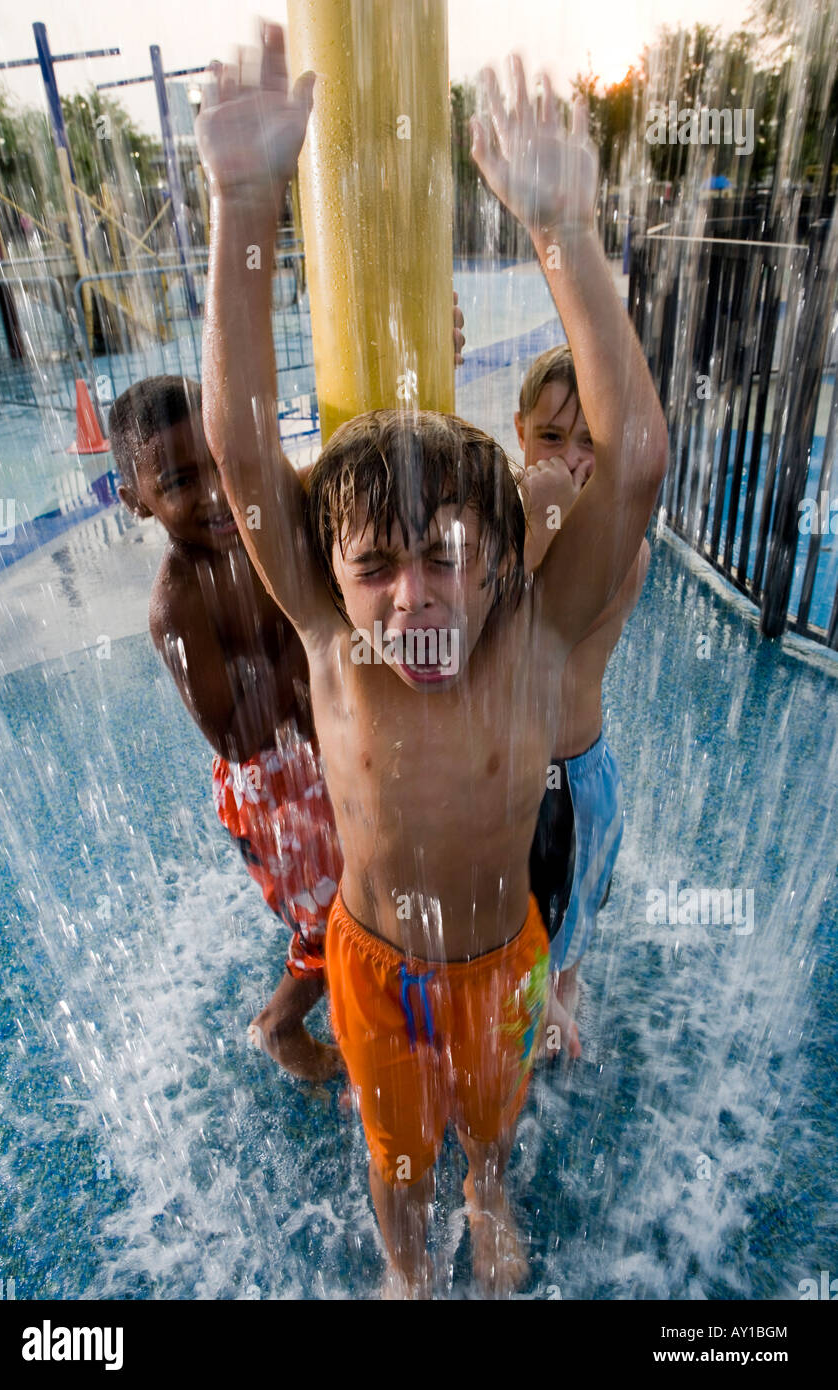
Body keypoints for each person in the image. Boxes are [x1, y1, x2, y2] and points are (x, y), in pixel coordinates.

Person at [197, 24, 668, 1296]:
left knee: (489, 1111)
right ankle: (408, 1261)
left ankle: (487, 1184)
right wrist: (243, 210)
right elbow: (243, 452)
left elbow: (627, 463)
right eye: (373, 567)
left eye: (448, 557)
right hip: (369, 955)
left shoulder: (534, 637)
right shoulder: (329, 643)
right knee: (388, 1145)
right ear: (328, 575)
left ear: (505, 560)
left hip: (504, 954)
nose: (411, 598)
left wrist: (563, 228)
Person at [110, 377, 343, 1082]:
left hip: (316, 746)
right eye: (182, 480)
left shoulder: (269, 513)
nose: (215, 493)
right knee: (337, 917)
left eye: (220, 463)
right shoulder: (176, 606)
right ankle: (282, 1023)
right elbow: (235, 740)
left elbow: (346, 478)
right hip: (267, 785)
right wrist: (300, 640)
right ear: (136, 500)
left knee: (382, 876)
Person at [516, 346, 651, 1025]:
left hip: (568, 785)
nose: (572, 458)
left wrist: (545, 522)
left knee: (560, 945)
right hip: (521, 778)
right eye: (551, 436)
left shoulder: (625, 547)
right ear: (520, 434)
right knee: (516, 938)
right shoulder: (505, 528)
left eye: (590, 441)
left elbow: (534, 627)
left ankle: (558, 1013)